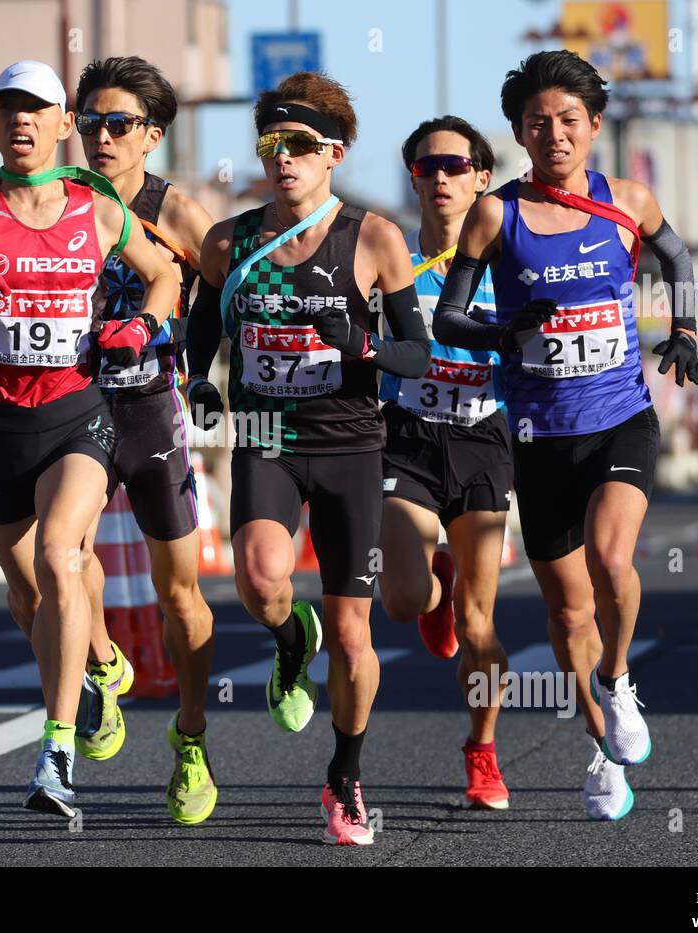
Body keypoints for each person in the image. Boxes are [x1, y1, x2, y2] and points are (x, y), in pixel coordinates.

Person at [0, 60, 180, 818]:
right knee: (28, 595)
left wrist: (142, 326)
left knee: (60, 557)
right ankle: (103, 667)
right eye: (6, 110)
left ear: (61, 124)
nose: (21, 122)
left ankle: (54, 754)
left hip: (78, 415)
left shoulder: (99, 207)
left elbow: (165, 274)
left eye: (37, 110)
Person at [432, 50, 698, 821]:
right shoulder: (496, 213)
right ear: (520, 131)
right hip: (540, 434)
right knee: (568, 612)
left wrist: (684, 330)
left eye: (568, 121)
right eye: (538, 123)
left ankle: (618, 681)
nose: (554, 134)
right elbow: (451, 316)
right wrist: (501, 326)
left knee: (613, 560)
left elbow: (675, 255)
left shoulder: (628, 200)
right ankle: (601, 747)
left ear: (593, 127)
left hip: (619, 416)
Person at [186, 71, 429, 846]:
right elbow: (203, 324)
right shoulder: (233, 240)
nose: (282, 159)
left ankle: (345, 775)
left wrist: (358, 344)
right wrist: (198, 381)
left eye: (298, 146)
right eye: (271, 144)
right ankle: (293, 642)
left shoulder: (377, 238)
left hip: (353, 442)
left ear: (333, 154)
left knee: (356, 639)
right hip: (265, 435)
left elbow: (416, 358)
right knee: (261, 582)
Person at [76, 55, 219, 825]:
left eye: (119, 124)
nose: (102, 136)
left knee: (178, 593)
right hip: (71, 406)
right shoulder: (60, 201)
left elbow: (236, 289)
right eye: (90, 122)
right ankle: (103, 662)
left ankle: (190, 739)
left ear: (151, 135)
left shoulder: (180, 212)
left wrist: (206, 371)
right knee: (52, 563)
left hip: (151, 408)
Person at [378, 116, 512, 811]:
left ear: (481, 179)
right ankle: (433, 580)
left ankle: (482, 750)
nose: (441, 178)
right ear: (413, 180)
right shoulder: (388, 259)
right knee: (401, 601)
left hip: (483, 439)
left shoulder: (506, 266)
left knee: (480, 620)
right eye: (427, 168)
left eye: (456, 167)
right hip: (407, 437)